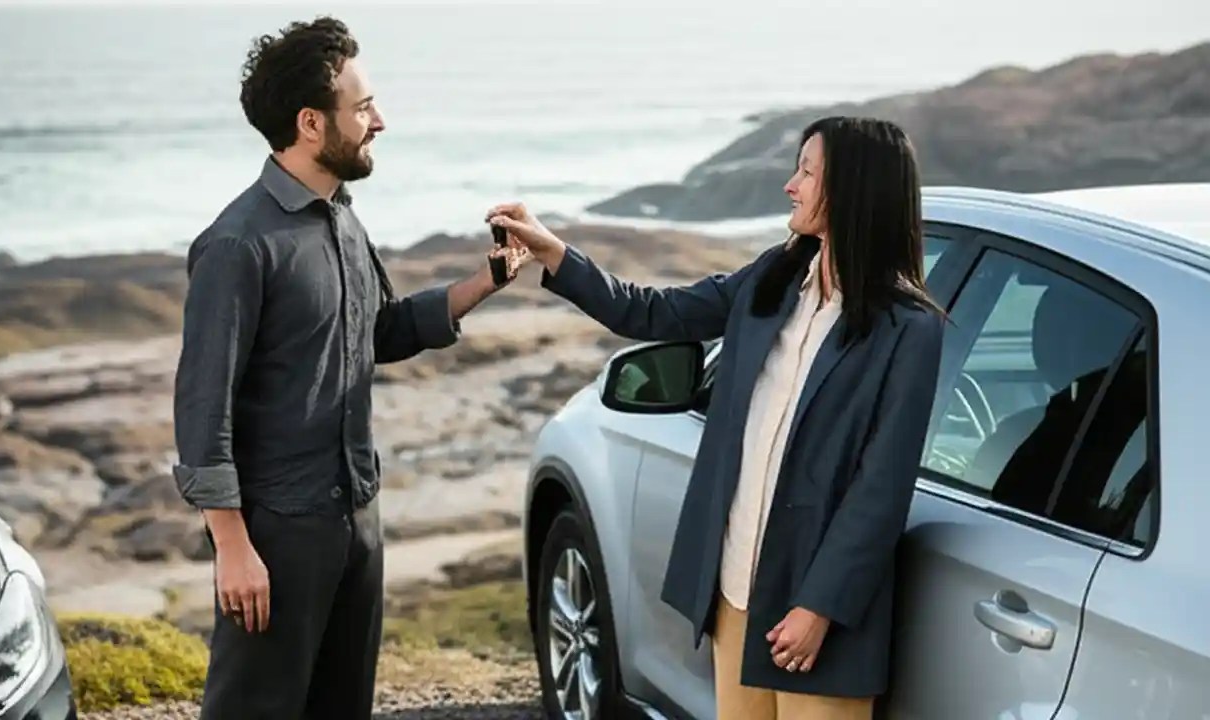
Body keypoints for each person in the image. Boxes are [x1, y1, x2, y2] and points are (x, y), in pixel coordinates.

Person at [488, 116, 946, 719]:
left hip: (817, 614)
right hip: (735, 592)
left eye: (807, 171)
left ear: (854, 190)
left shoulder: (908, 331)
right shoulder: (772, 281)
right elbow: (652, 313)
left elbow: (880, 490)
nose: (790, 185)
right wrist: (556, 253)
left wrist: (820, 609)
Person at [171, 16, 522, 720]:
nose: (379, 121)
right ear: (310, 122)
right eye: (362, 108)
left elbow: (380, 330)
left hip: (357, 516)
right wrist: (232, 545)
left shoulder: (341, 218)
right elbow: (202, 408)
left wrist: (483, 283)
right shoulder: (238, 245)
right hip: (276, 533)